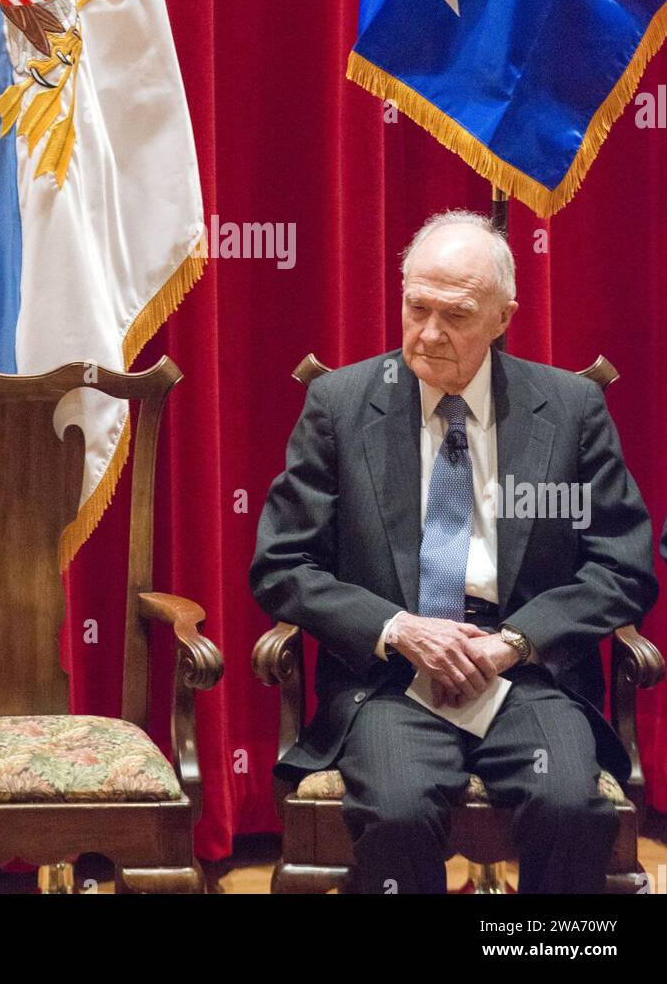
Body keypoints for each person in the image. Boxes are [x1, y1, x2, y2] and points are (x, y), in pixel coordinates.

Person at [250, 210, 658, 894]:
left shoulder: (567, 410)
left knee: (566, 804)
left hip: (525, 676)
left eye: (457, 315)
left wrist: (515, 643)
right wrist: (398, 629)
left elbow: (620, 566)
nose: (429, 333)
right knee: (397, 811)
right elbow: (282, 565)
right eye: (416, 307)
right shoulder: (341, 405)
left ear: (503, 316)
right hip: (390, 680)